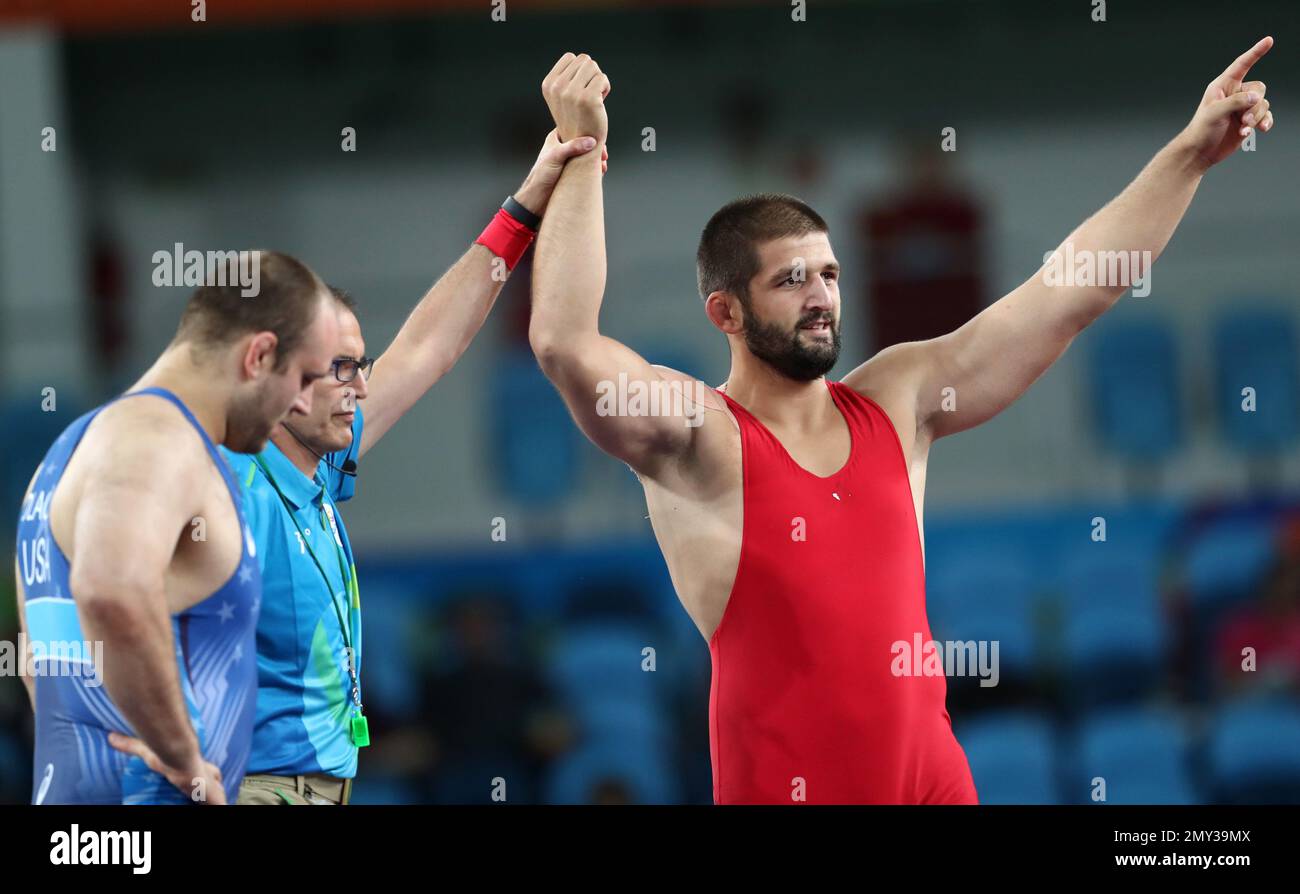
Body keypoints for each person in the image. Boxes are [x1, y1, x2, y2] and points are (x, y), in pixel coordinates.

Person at [529, 41, 1276, 803]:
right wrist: (582, 153)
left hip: (933, 780)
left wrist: (1186, 157)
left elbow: (1070, 291)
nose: (821, 297)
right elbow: (564, 342)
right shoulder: (699, 436)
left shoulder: (897, 397)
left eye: (829, 274)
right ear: (725, 311)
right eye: (791, 281)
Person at [110, 126, 604, 805]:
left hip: (319, 788)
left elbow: (430, 346)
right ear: (274, 374)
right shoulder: (222, 483)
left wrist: (527, 201)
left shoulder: (318, 465)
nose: (363, 387)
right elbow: (95, 596)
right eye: (341, 370)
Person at [15, 251, 340, 803]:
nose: (303, 402)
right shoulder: (159, 442)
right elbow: (110, 592)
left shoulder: (70, 452)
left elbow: (37, 665)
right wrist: (183, 758)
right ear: (259, 356)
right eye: (305, 378)